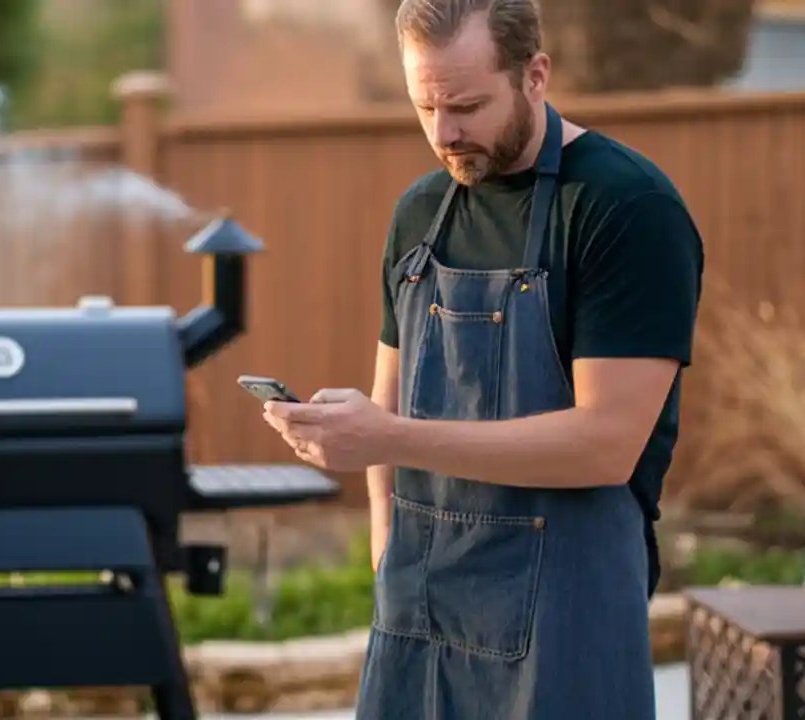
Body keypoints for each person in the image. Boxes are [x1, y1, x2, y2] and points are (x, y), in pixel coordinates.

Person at [261, 0, 704, 717]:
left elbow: (605, 446)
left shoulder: (625, 209)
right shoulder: (420, 214)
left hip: (567, 617)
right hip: (419, 614)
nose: (445, 133)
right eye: (425, 107)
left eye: (467, 105)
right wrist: (387, 559)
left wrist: (388, 437)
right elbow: (391, 405)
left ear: (535, 75)